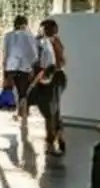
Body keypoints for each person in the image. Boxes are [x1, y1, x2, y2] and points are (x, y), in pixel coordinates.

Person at [30, 18, 65, 153]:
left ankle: (52, 140)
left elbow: (47, 63)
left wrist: (42, 75)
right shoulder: (56, 42)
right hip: (57, 77)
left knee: (50, 111)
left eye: (42, 28)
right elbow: (62, 62)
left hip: (50, 77)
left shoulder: (47, 42)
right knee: (53, 110)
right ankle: (58, 137)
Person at [1, 16, 39, 122]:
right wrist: (32, 64)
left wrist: (4, 69)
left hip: (11, 66)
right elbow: (34, 54)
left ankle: (19, 111)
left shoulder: (8, 36)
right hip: (24, 67)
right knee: (24, 90)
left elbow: (5, 52)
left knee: (17, 89)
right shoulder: (29, 35)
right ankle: (23, 113)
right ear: (25, 24)